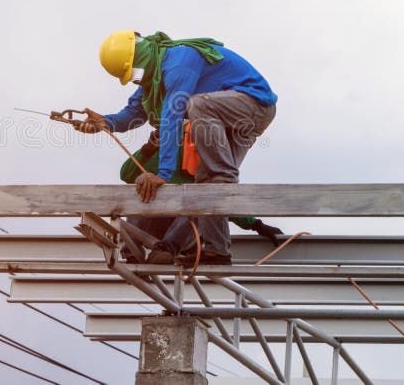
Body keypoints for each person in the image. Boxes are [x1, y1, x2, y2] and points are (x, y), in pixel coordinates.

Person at [75, 30, 278, 265]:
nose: (137, 78)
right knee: (205, 180)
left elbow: (172, 114)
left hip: (254, 106)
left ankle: (219, 185)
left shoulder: (180, 62)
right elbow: (132, 113)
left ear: (142, 56)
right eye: (131, 77)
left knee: (199, 108)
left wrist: (163, 174)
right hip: (226, 118)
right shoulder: (154, 76)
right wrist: (105, 123)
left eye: (136, 72)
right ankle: (217, 251)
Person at [119, 129, 284, 264]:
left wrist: (256, 224)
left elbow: (218, 200)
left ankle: (166, 250)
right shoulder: (163, 155)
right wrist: (147, 151)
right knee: (143, 182)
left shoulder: (208, 165)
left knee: (201, 196)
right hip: (155, 226)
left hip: (185, 235)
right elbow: (126, 174)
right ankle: (132, 252)